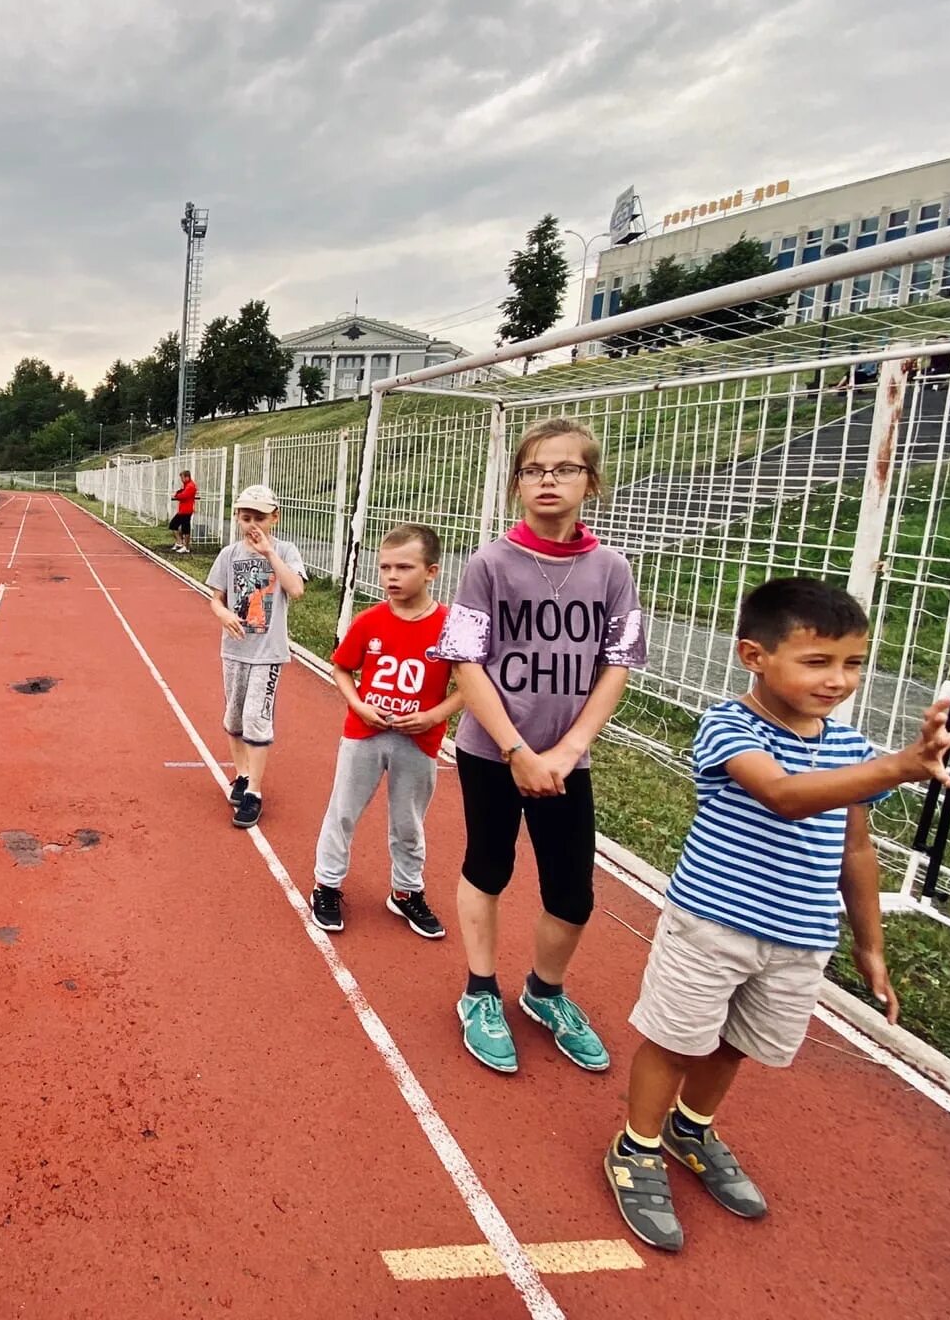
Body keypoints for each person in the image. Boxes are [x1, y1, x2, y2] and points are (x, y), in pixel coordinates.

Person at [603, 578, 950, 1252]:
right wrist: (896, 767)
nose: (838, 680)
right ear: (754, 654)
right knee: (676, 1038)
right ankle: (638, 1145)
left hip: (801, 935)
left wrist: (871, 945)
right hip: (713, 923)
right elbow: (782, 795)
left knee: (738, 1042)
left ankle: (693, 1127)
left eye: (853, 663)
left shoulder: (851, 747)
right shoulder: (729, 725)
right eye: (817, 661)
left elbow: (855, 846)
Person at [430, 416, 647, 1076]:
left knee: (571, 892)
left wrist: (566, 748)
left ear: (591, 481)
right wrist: (517, 749)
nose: (548, 480)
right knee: (489, 865)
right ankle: (480, 990)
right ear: (516, 483)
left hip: (565, 758)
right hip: (492, 751)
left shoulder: (611, 569)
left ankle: (545, 991)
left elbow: (618, 663)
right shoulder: (489, 564)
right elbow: (467, 661)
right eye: (533, 470)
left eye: (564, 469)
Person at [309, 524, 461, 938]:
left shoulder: (450, 625)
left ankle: (407, 891)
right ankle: (326, 883)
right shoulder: (369, 621)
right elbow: (341, 667)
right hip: (364, 734)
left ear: (431, 572)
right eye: (385, 567)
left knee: (408, 822)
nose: (391, 576)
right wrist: (357, 703)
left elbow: (469, 688)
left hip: (420, 740)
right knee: (343, 811)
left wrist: (433, 718)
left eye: (404, 567)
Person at [207, 484, 307, 829]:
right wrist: (222, 614)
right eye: (245, 517)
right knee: (234, 718)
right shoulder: (229, 555)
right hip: (234, 650)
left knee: (255, 718)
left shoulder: (285, 550)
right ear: (236, 517)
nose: (252, 524)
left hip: (267, 653)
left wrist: (269, 554)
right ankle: (242, 774)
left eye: (260, 518)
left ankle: (255, 792)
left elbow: (295, 590)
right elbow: (215, 598)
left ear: (274, 519)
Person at [168, 469, 198, 554]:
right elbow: (180, 493)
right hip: (182, 510)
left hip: (186, 510)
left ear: (187, 477)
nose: (181, 480)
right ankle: (180, 542)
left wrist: (177, 495)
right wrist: (178, 494)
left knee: (185, 529)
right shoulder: (186, 485)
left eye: (182, 478)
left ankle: (186, 546)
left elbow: (183, 496)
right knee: (174, 525)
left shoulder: (190, 486)